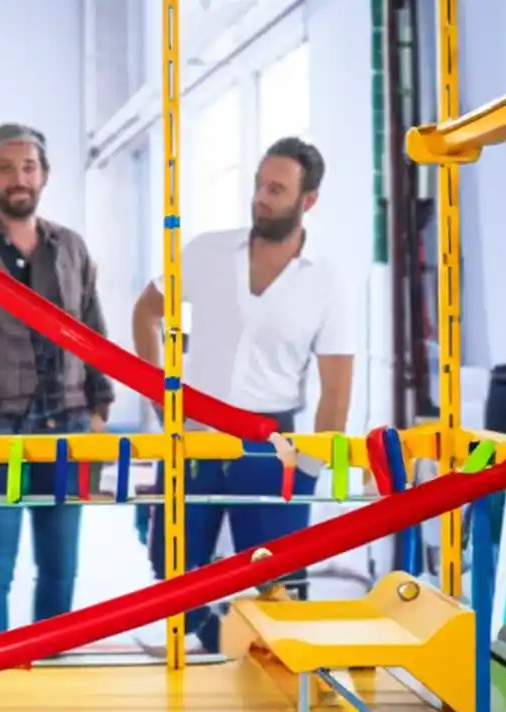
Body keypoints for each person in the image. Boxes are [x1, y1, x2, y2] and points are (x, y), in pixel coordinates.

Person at [130, 137, 356, 654]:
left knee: (275, 583)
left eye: (277, 189)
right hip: (194, 435)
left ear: (308, 201)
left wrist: (308, 473)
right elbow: (146, 311)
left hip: (270, 444)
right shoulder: (206, 251)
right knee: (173, 571)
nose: (261, 197)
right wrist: (156, 392)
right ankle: (202, 647)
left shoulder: (326, 283)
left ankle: (257, 672)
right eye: (259, 185)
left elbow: (336, 392)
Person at [0, 123, 115, 637]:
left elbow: (93, 328)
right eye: (5, 168)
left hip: (70, 425)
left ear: (44, 175)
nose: (18, 178)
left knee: (60, 567)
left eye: (28, 167)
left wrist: (100, 404)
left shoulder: (71, 247)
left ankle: (51, 671)